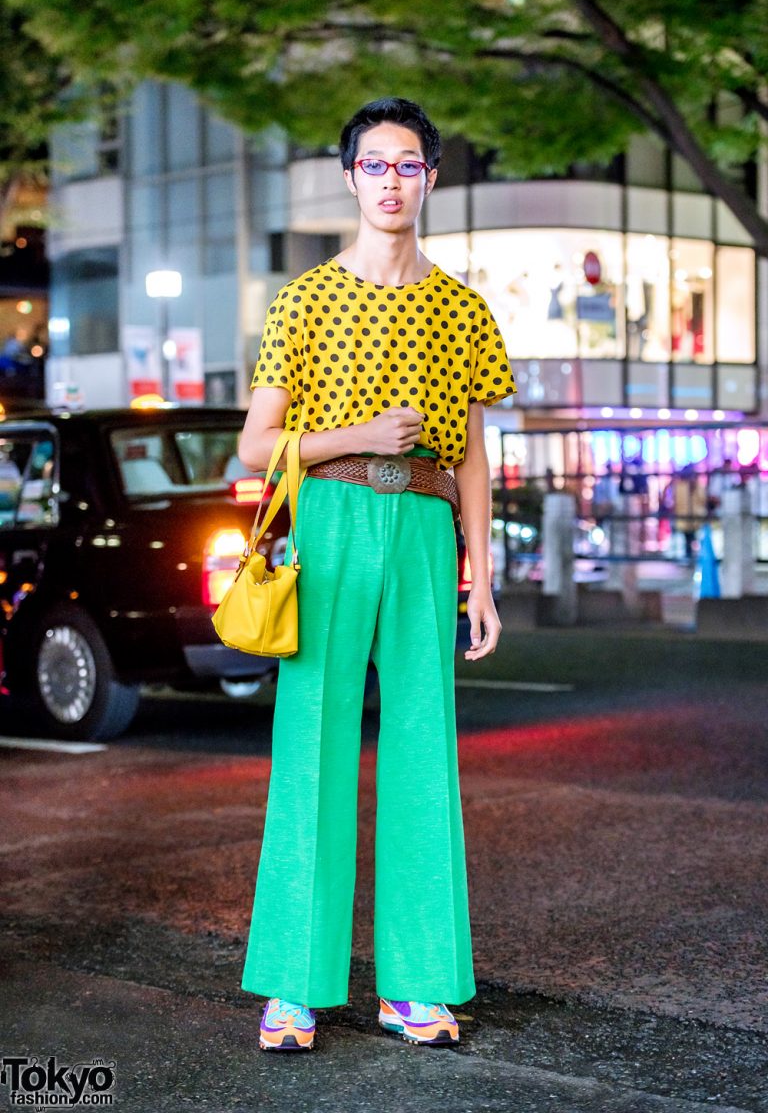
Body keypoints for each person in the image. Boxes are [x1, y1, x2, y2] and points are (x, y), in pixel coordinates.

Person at [237, 97, 516, 1052]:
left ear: (430, 178)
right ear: (349, 177)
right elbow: (254, 445)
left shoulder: (462, 309)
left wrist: (481, 575)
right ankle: (292, 986)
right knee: (309, 743)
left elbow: (474, 457)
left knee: (425, 749)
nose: (391, 180)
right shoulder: (305, 299)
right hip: (332, 515)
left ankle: (417, 982)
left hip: (428, 525)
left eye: (409, 164)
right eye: (375, 164)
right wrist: (357, 434)